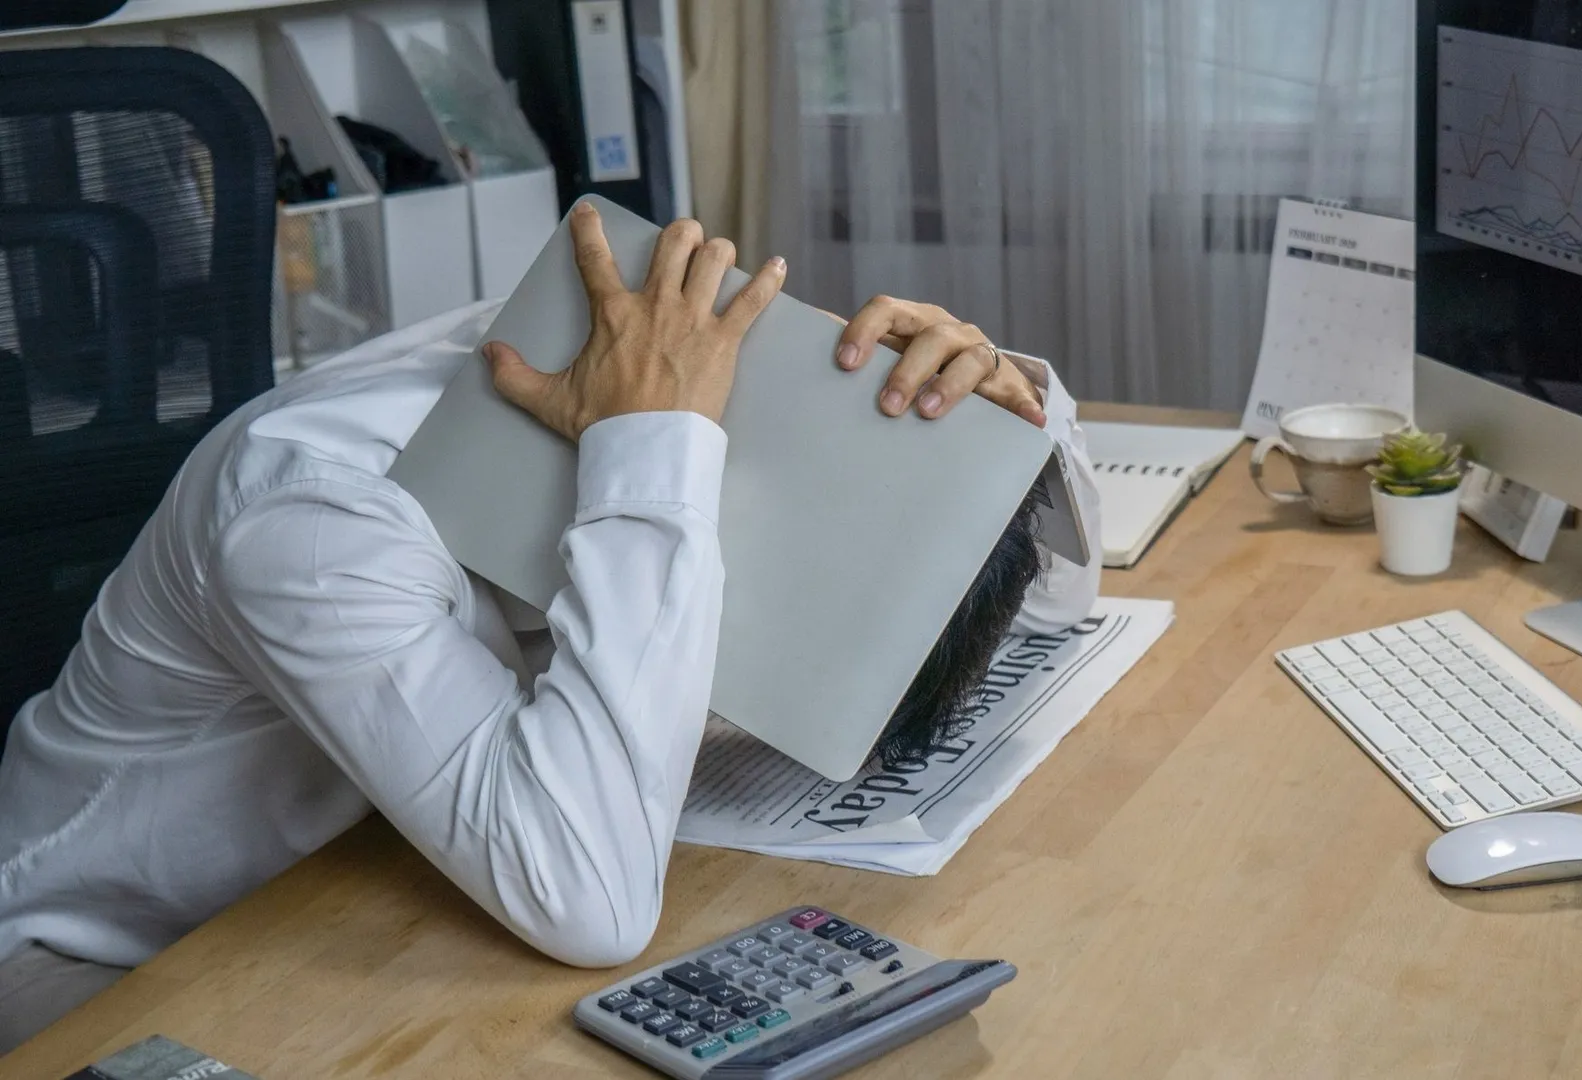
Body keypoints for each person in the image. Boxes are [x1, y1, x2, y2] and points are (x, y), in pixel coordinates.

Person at [0, 204, 1101, 1052]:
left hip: (378, 888)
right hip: (109, 978)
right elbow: (591, 902)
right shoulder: (319, 514)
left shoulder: (707, 445)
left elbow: (1055, 603)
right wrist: (653, 445)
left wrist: (1005, 419)